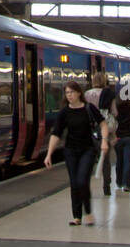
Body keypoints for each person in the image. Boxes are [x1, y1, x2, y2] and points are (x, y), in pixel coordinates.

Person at [45, 80, 108, 224]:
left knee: (82, 181)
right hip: (70, 151)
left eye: (72, 92)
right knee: (74, 183)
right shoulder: (64, 112)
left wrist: (104, 140)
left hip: (88, 149)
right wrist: (49, 154)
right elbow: (56, 134)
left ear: (79, 93)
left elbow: (103, 124)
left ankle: (88, 211)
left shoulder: (89, 108)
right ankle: (77, 216)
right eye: (67, 93)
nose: (69, 95)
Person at [111, 83, 130, 192]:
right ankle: (127, 184)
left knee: (119, 161)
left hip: (118, 138)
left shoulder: (116, 109)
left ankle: (119, 181)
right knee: (128, 161)